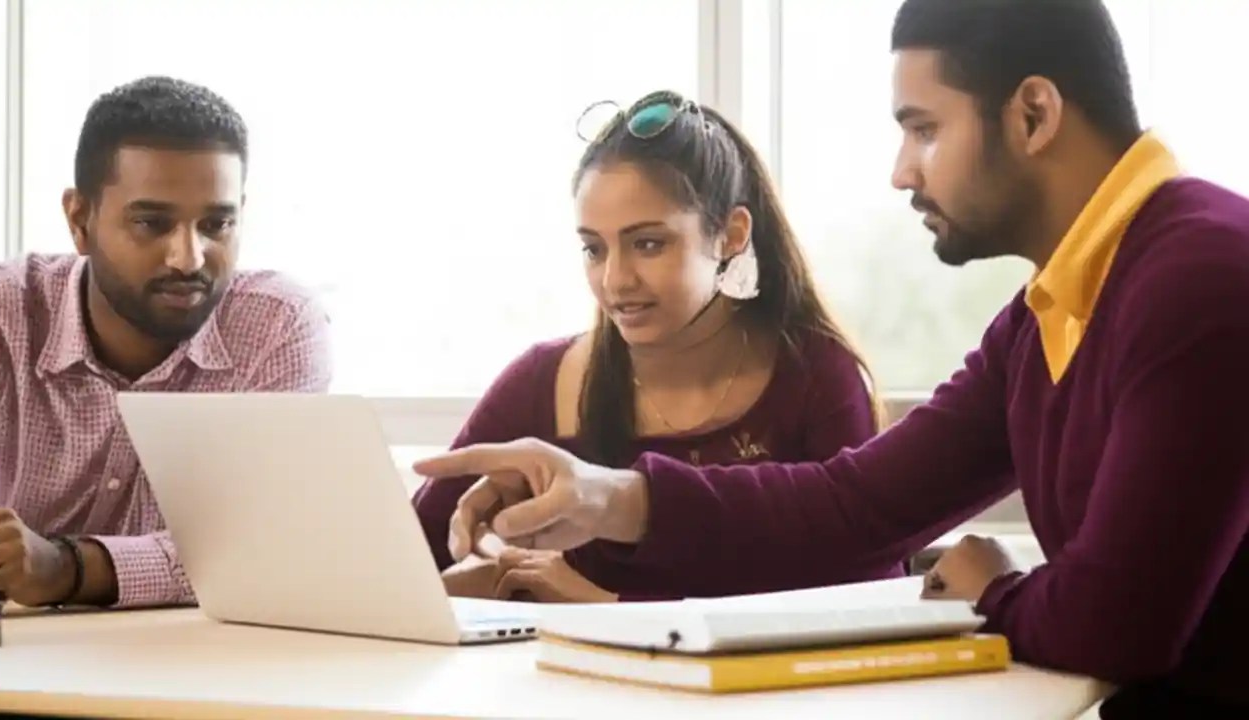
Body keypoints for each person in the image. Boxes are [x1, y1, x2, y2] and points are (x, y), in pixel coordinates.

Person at [414, 1, 1248, 715]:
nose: (899, 171)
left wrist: (991, 592)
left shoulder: (1201, 279)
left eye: (923, 129)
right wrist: (607, 497)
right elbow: (857, 502)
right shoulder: (1046, 319)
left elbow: (1121, 620)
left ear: (1033, 115)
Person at [413, 90, 890, 603]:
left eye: (648, 244)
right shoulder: (540, 383)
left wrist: (602, 606)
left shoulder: (817, 376)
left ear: (731, 235)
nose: (615, 280)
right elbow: (399, 564)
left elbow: (861, 595)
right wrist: (471, 574)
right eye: (594, 249)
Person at [0, 76, 332, 610]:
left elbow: (262, 544)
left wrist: (65, 568)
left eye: (216, 223)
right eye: (151, 223)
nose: (189, 257)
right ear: (79, 220)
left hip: (201, 671)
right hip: (12, 669)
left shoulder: (278, 326)